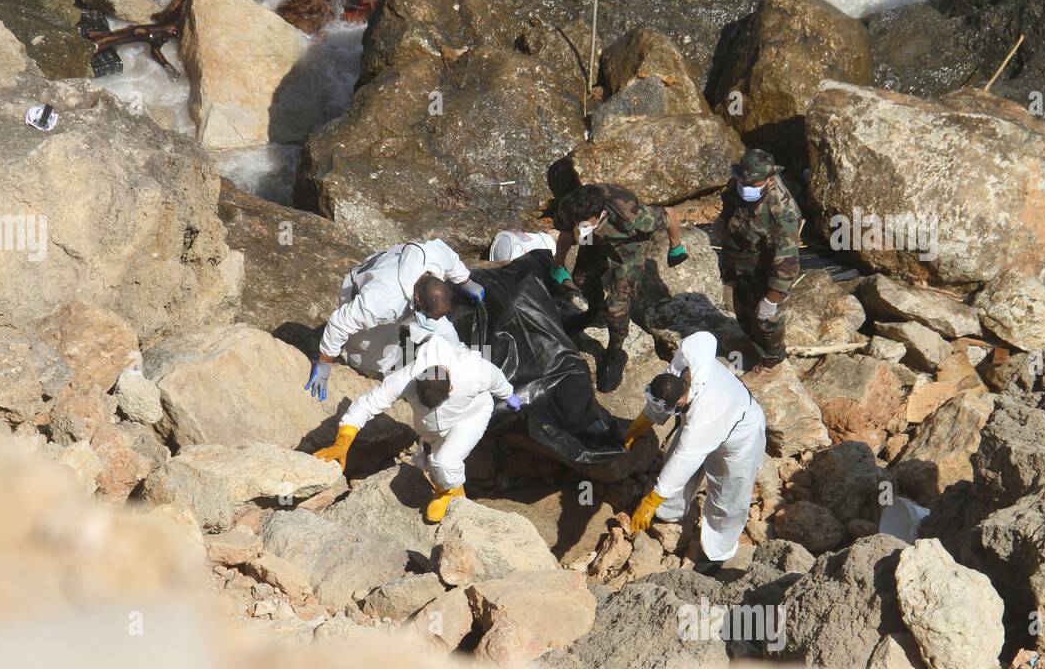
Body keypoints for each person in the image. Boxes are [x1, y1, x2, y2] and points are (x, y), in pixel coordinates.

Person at [313, 334, 519, 522]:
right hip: (430, 430)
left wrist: (509, 394)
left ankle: (451, 496)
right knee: (433, 464)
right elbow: (368, 403)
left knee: (445, 462)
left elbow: (496, 378)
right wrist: (343, 440)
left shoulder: (473, 370)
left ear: (450, 390)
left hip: (469, 418)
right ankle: (444, 487)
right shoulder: (407, 377)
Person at [624, 331, 766, 572]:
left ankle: (718, 551)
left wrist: (650, 500)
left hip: (740, 435)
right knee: (674, 469)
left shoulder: (704, 416)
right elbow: (662, 400)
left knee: (728, 496)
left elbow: (685, 457)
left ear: (680, 403)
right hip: (708, 421)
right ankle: (670, 513)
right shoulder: (679, 372)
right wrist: (643, 422)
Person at [305, 239, 486, 399]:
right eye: (429, 316)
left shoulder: (434, 258)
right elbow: (339, 323)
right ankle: (368, 373)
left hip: (391, 272)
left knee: (448, 335)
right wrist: (325, 361)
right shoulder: (383, 302)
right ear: (417, 300)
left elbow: (450, 256)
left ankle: (461, 359)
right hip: (362, 290)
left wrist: (466, 281)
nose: (434, 321)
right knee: (369, 353)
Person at [549, 183, 684, 393]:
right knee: (582, 278)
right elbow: (567, 232)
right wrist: (558, 264)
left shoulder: (634, 216)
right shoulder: (572, 207)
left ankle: (615, 352)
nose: (578, 225)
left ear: (601, 213)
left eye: (584, 222)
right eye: (578, 222)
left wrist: (676, 247)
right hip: (594, 238)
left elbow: (670, 213)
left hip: (629, 246)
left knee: (615, 308)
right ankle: (594, 311)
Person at [720, 148, 802, 383]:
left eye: (754, 183)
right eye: (744, 181)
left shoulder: (780, 213)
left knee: (766, 320)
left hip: (766, 271)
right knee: (743, 309)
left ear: (768, 179)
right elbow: (730, 204)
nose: (747, 187)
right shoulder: (740, 184)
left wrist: (771, 300)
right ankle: (753, 341)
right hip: (742, 263)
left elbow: (786, 264)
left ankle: (771, 361)